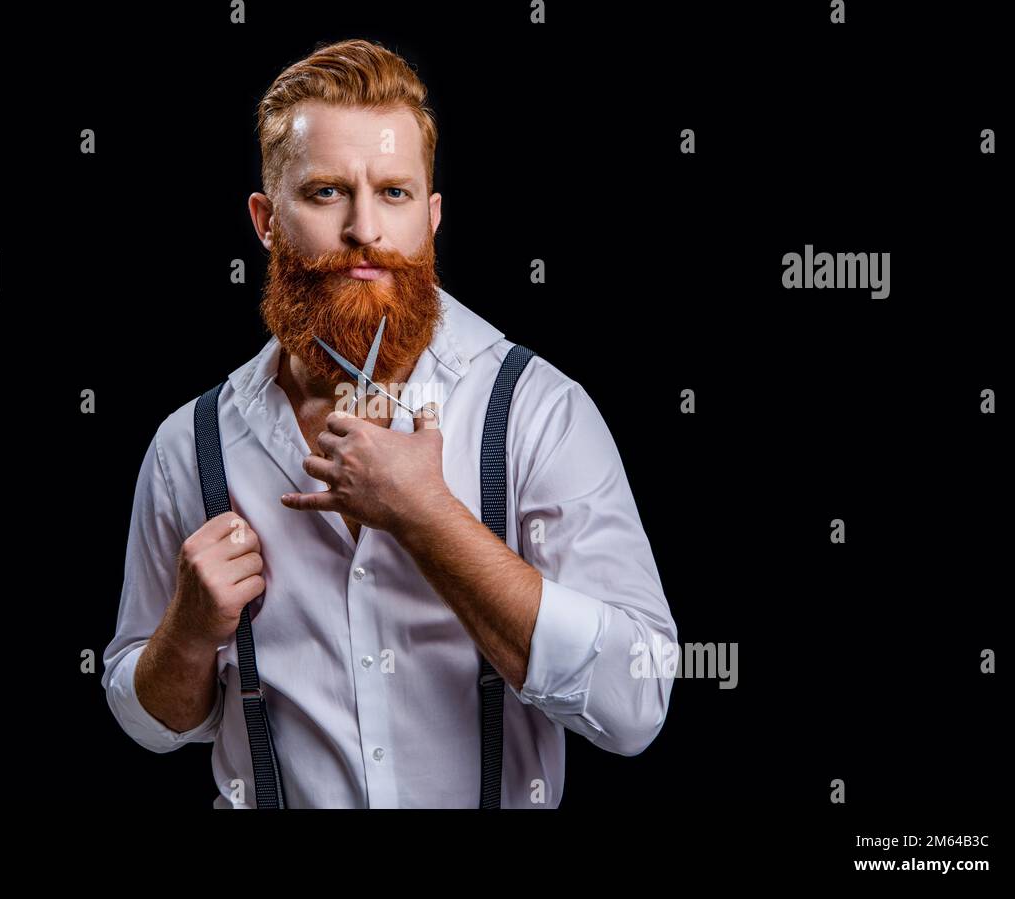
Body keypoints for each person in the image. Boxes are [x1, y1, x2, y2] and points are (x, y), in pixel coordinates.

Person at [101, 38, 676, 808]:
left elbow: (636, 705)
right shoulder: (191, 445)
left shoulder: (538, 411)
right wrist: (188, 630)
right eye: (328, 192)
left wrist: (429, 519)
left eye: (395, 193)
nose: (365, 229)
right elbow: (151, 722)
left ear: (432, 216)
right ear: (266, 220)